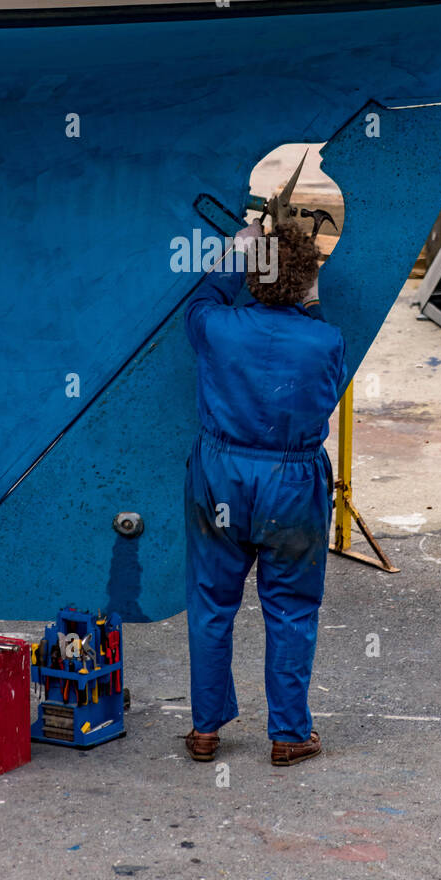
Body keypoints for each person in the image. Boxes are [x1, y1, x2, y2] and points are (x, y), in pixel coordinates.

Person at [183, 217, 347, 766]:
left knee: (211, 604)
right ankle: (288, 734)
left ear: (254, 276)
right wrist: (313, 300)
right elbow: (328, 386)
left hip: (221, 476)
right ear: (305, 284)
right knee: (291, 610)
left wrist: (237, 253)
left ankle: (205, 730)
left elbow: (201, 298)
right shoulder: (325, 339)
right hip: (293, 484)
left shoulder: (217, 327)